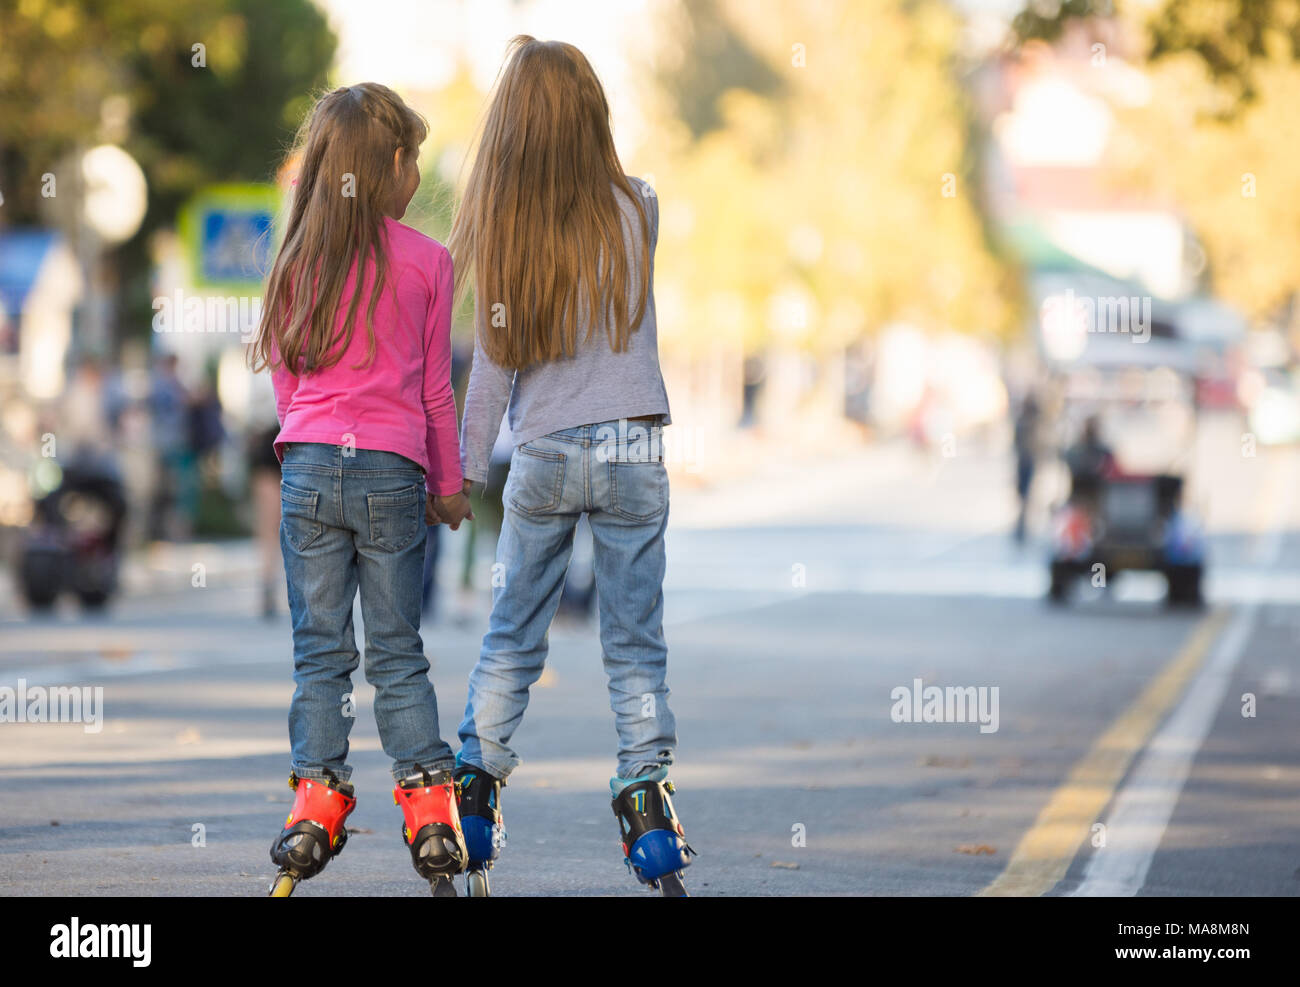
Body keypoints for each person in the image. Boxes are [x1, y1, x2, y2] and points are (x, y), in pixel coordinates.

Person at [448, 37, 694, 896]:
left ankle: (474, 791)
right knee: (633, 644)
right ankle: (648, 806)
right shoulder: (642, 207)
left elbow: (493, 370)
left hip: (546, 451)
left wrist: (464, 472)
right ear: (595, 116)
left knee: (513, 636)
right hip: (632, 445)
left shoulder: (508, 237)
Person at [248, 83, 474, 896]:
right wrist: (448, 489)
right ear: (391, 168)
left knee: (320, 653)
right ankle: (430, 814)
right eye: (411, 157)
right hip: (391, 471)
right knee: (396, 651)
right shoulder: (429, 262)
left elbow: (283, 374)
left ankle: (314, 802)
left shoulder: (297, 257)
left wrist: (304, 439)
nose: (417, 173)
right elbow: (436, 396)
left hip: (308, 466)